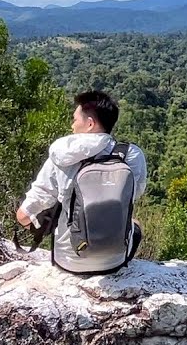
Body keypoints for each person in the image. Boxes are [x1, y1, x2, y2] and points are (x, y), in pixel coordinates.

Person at [15, 90, 147, 273]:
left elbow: (24, 215)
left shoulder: (61, 157)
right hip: (115, 262)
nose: (72, 125)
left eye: (75, 120)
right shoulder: (131, 155)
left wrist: (41, 224)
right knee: (135, 222)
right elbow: (135, 194)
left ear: (90, 124)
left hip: (69, 262)